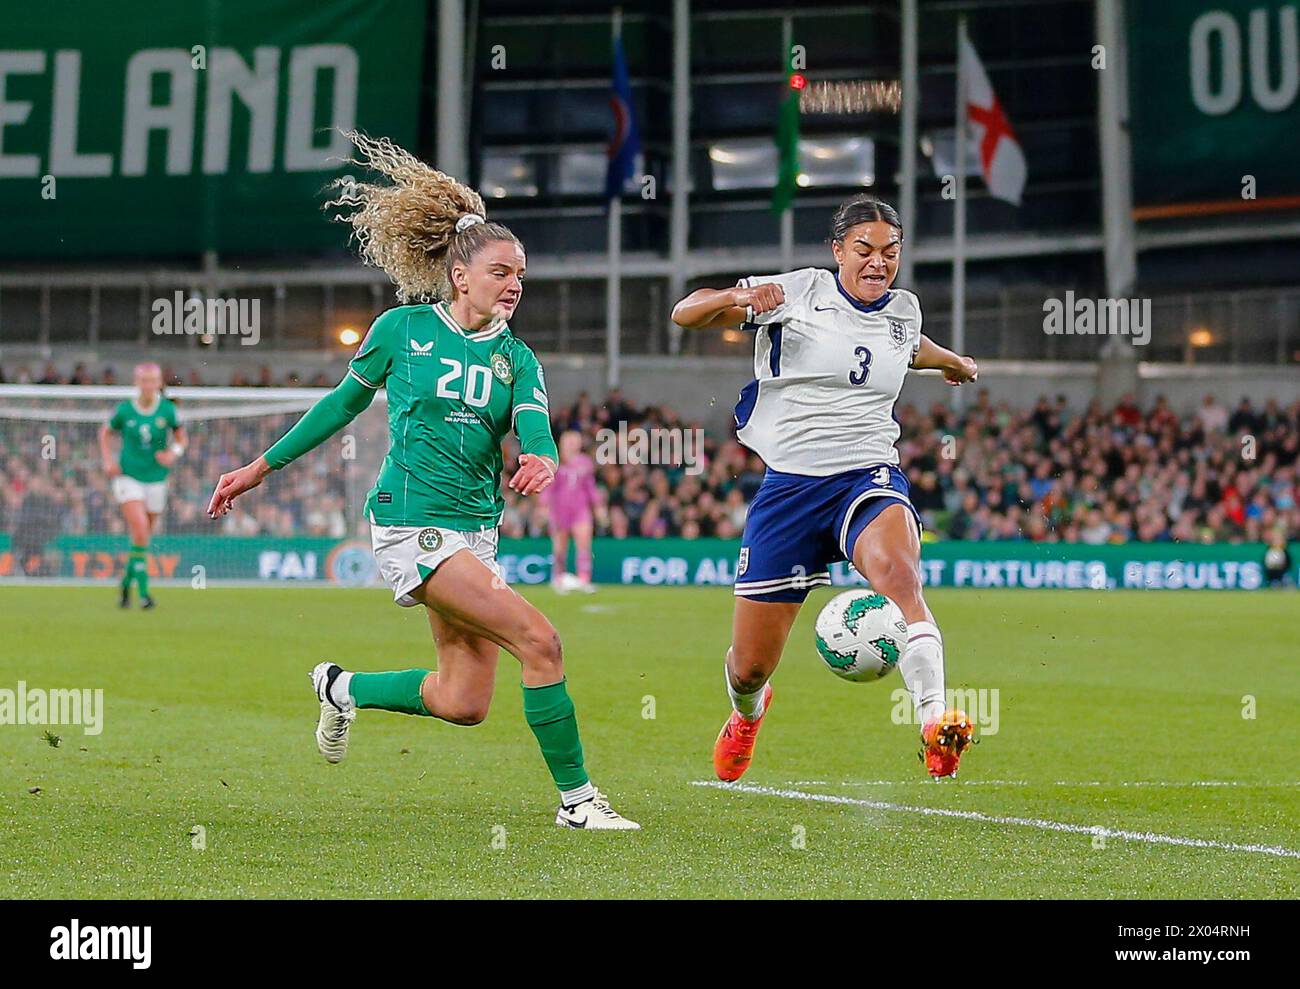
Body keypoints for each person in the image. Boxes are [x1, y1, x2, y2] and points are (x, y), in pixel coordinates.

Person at [206, 132, 637, 830]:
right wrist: (259, 467)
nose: (515, 283)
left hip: (475, 529)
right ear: (460, 276)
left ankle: (341, 687)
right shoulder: (401, 329)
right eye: (502, 271)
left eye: (520, 272)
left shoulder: (517, 358)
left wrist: (543, 458)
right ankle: (578, 801)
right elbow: (339, 407)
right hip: (412, 522)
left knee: (463, 700)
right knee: (542, 640)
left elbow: (533, 426)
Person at [670, 194, 979, 781]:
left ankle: (935, 724)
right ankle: (747, 715)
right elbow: (685, 313)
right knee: (749, 668)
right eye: (863, 250)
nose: (877, 262)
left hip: (866, 475)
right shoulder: (798, 291)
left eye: (890, 252)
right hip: (790, 490)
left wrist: (953, 362)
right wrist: (738, 299)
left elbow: (908, 347)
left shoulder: (904, 310)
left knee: (900, 575)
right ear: (838, 251)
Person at [99, 362, 187, 609]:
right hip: (128, 477)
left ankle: (126, 583)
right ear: (137, 383)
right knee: (139, 529)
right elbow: (105, 432)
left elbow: (182, 437)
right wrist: (108, 459)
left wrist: (174, 453)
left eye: (152, 381)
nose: (148, 386)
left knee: (142, 538)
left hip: (157, 479)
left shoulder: (168, 410)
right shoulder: (125, 410)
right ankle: (145, 594)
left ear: (159, 383)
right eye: (144, 381)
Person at [544, 430, 604, 593]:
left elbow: (590, 487)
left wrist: (598, 506)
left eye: (575, 441)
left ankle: (584, 578)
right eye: (569, 441)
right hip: (560, 510)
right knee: (559, 547)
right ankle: (558, 577)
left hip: (580, 509)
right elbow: (548, 487)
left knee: (584, 543)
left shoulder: (585, 463)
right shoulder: (555, 461)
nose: (572, 444)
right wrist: (544, 506)